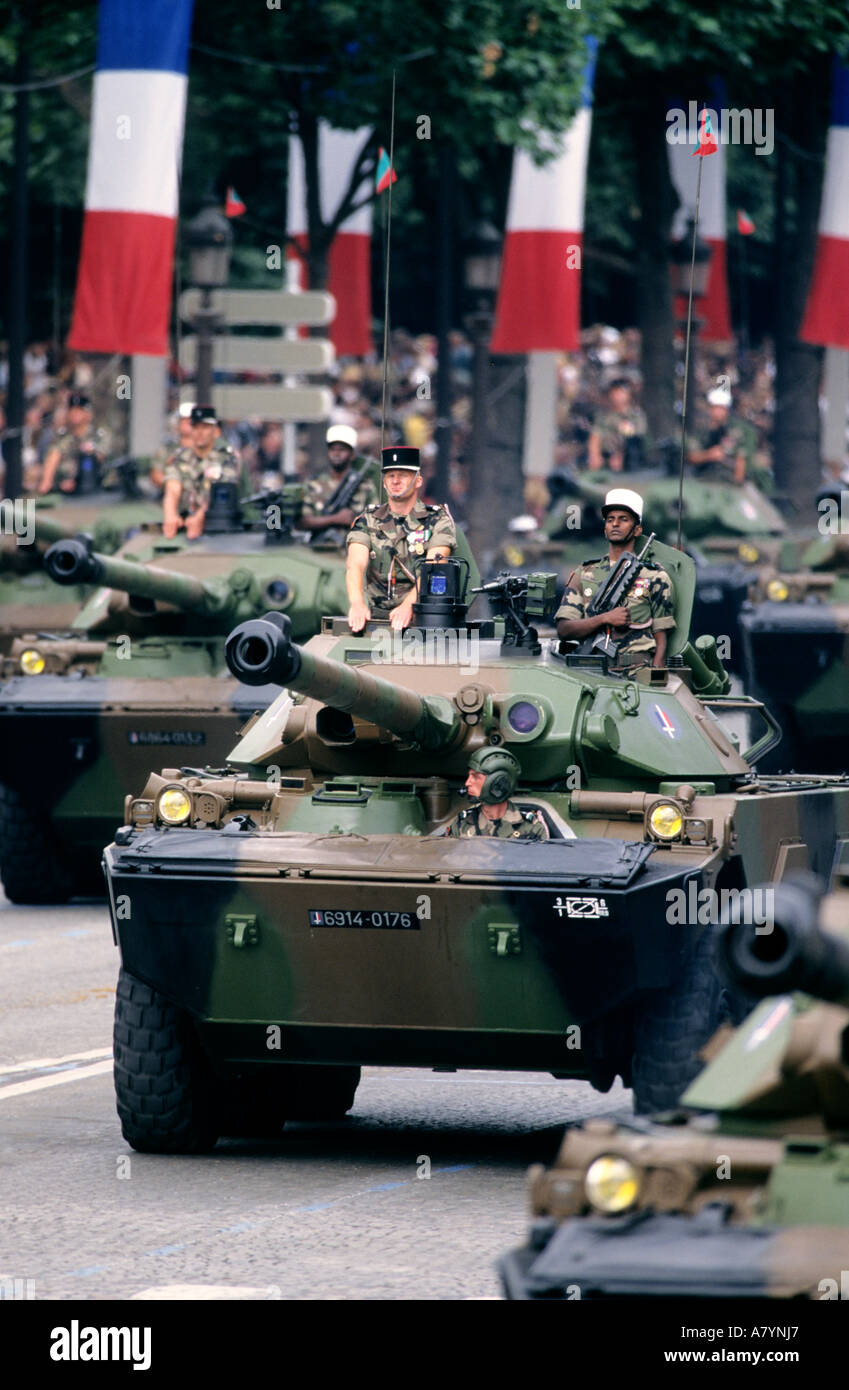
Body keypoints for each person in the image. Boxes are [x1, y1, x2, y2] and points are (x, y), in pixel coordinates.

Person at [555, 488, 675, 670]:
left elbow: (661, 633)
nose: (615, 524)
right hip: (591, 671)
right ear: (605, 529)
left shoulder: (656, 577)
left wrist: (658, 670)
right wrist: (604, 619)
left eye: (623, 519)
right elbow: (564, 629)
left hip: (637, 671)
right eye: (610, 520)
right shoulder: (584, 573)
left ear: (637, 529)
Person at [346, 445, 455, 632]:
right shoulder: (368, 520)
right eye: (390, 475)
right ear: (384, 482)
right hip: (376, 618)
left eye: (403, 475)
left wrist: (408, 606)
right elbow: (355, 564)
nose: (396, 481)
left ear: (418, 480)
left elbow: (435, 567)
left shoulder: (437, 520)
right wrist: (356, 603)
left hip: (424, 619)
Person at [161, 405, 240, 539]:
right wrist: (170, 515)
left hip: (219, 526)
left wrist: (199, 517)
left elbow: (222, 493)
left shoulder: (226, 458)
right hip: (183, 525)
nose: (200, 432)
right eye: (196, 427)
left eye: (205, 427)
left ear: (215, 431)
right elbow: (172, 489)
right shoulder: (179, 458)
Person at [446, 748, 548, 840]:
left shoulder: (531, 827)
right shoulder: (461, 823)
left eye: (475, 777)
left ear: (497, 783)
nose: (467, 783)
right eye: (469, 776)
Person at [300, 426, 379, 543]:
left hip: (354, 549)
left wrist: (354, 520)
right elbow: (302, 522)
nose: (336, 454)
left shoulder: (365, 486)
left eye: (342, 450)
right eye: (332, 449)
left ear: (352, 454)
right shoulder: (313, 484)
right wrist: (335, 519)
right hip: (318, 549)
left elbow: (376, 521)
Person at [37, 393, 112, 495]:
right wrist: (47, 482)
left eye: (79, 410)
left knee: (88, 457)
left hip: (97, 484)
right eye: (72, 410)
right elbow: (53, 456)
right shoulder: (62, 436)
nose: (74, 414)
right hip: (66, 487)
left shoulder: (98, 435)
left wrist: (91, 450)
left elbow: (102, 455)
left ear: (87, 413)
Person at [687, 387, 755, 485]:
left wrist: (737, 484)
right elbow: (691, 456)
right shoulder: (702, 429)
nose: (716, 412)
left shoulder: (738, 430)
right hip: (703, 479)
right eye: (714, 407)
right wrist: (709, 455)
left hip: (729, 481)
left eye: (720, 408)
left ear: (726, 410)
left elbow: (741, 461)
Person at [587, 379, 647, 473]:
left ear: (629, 395)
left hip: (629, 460)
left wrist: (620, 455)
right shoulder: (604, 416)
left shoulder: (635, 416)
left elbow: (635, 436)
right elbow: (596, 435)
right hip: (605, 458)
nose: (617, 396)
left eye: (621, 392)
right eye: (615, 392)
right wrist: (594, 455)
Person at [150, 402, 195, 491]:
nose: (187, 423)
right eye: (183, 420)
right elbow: (155, 475)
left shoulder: (205, 449)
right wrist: (172, 484)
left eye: (191, 420)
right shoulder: (167, 450)